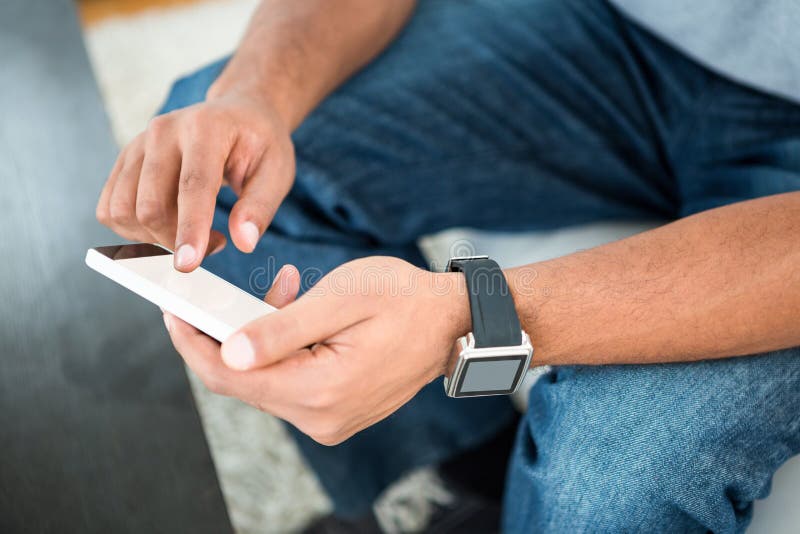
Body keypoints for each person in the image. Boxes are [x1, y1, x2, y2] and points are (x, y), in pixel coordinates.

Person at [95, 0, 800, 531]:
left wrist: (466, 319)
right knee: (216, 156)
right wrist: (257, 94)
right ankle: (465, 483)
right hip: (620, 29)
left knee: (612, 474)